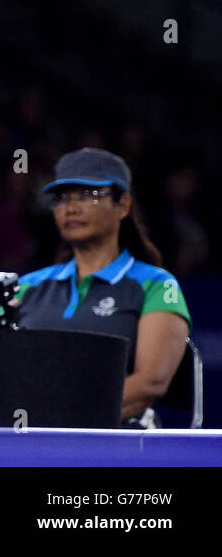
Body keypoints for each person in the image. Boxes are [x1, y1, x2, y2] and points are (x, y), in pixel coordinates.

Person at [14, 148, 191, 425]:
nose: (71, 208)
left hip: (118, 448)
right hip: (33, 445)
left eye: (88, 195)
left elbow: (151, 383)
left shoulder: (157, 286)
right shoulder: (26, 287)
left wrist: (59, 419)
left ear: (123, 205)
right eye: (61, 198)